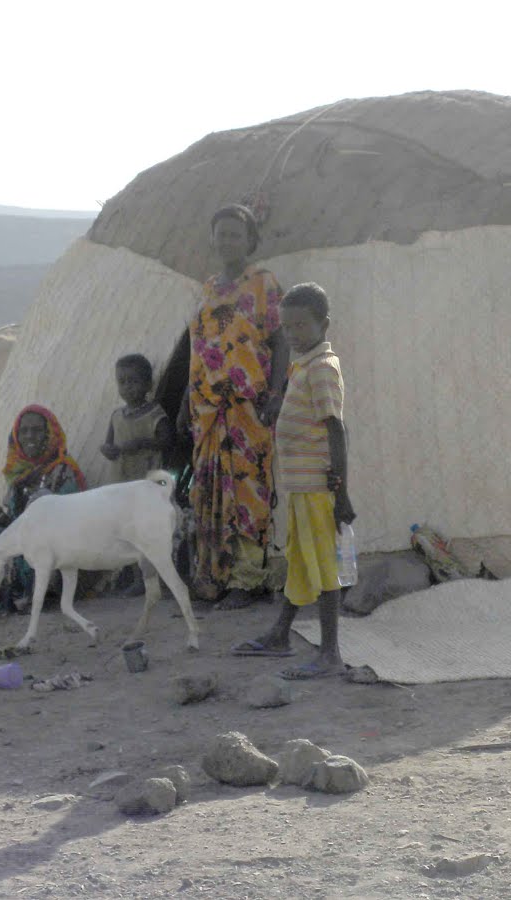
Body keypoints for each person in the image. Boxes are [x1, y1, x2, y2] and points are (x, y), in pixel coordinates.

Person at [231, 282, 355, 679]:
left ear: (325, 325)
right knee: (300, 562)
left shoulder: (321, 369)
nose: (293, 334)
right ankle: (280, 635)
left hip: (318, 487)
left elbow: (337, 430)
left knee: (322, 568)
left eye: (301, 326)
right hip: (300, 486)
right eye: (287, 327)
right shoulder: (303, 363)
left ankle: (331, 653)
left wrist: (342, 494)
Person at [176, 204, 289, 610]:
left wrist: (275, 394)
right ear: (212, 239)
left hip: (248, 406)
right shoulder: (207, 288)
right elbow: (199, 348)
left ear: (250, 241)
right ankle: (218, 576)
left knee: (248, 491)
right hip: (208, 408)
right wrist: (188, 400)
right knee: (209, 491)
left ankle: (248, 578)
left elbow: (280, 340)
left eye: (235, 235)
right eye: (221, 234)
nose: (227, 241)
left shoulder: (262, 283)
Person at [0, 404, 87, 610]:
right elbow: (18, 519)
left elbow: (71, 517)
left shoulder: (62, 470)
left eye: (36, 430)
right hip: (25, 541)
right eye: (23, 431)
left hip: (56, 543)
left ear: (49, 434)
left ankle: (42, 593)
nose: (29, 436)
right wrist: (3, 520)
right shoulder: (17, 473)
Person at [101, 353, 174, 483]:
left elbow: (168, 441)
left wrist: (142, 443)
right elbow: (109, 444)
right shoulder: (116, 416)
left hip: (147, 480)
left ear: (148, 385)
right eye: (122, 382)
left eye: (133, 381)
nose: (127, 386)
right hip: (120, 480)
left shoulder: (154, 413)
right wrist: (106, 449)